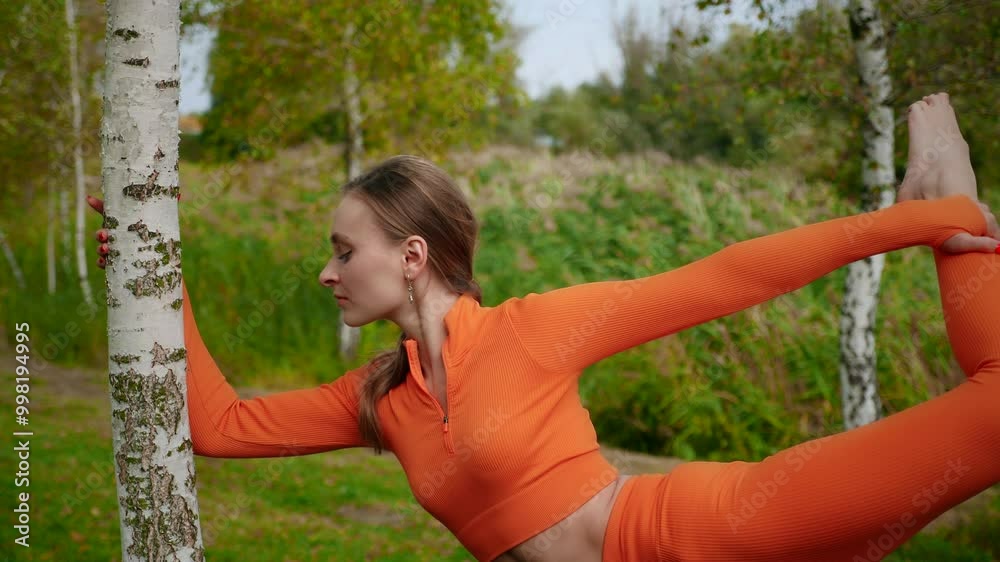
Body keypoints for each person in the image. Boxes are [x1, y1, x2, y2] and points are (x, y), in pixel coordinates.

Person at [88, 93, 1000, 562]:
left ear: (411, 257)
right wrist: (154, 281)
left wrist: (908, 226)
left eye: (342, 250)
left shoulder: (531, 332)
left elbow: (720, 280)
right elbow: (217, 427)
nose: (326, 272)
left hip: (691, 534)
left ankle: (949, 201)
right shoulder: (379, 398)